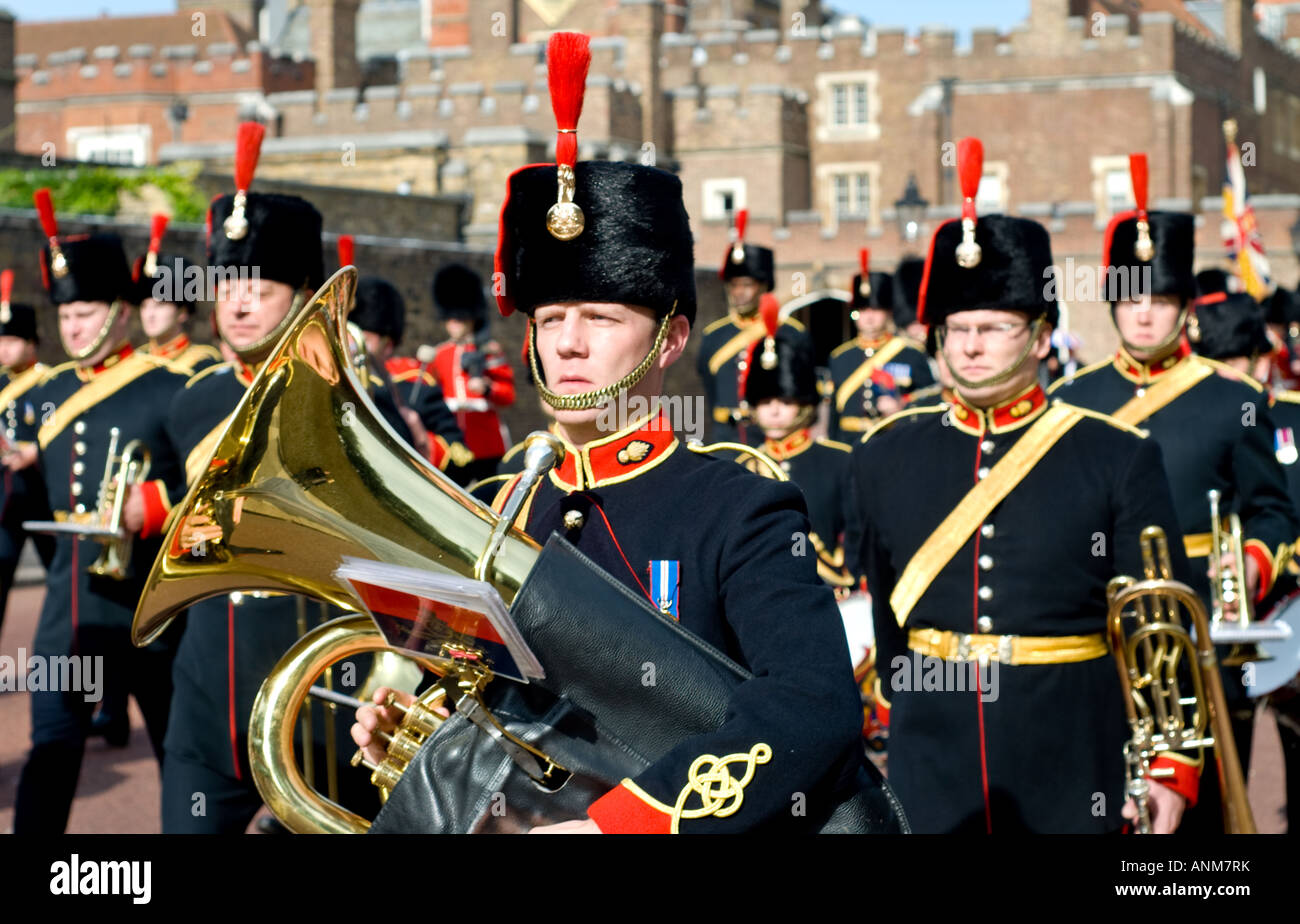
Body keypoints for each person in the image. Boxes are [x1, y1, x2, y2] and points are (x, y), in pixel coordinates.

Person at [353, 31, 864, 834]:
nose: (568, 342)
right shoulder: (498, 508)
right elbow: (489, 703)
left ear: (670, 339)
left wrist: (625, 827)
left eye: (600, 316)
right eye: (551, 317)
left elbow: (812, 704)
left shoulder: (737, 509)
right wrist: (415, 731)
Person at [846, 137, 1198, 834]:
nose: (972, 345)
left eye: (996, 327)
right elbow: (889, 616)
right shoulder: (885, 454)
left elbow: (1161, 628)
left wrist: (1171, 767)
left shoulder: (1116, 455)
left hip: (1070, 736)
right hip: (933, 743)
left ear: (1040, 336)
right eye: (959, 328)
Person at [1048, 154, 1298, 832]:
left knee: (1212, 812)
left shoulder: (1235, 399)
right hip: (1103, 632)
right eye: (1131, 299)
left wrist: (1248, 562)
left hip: (1206, 631)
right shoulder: (1074, 398)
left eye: (1159, 300)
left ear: (1185, 308)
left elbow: (1276, 513)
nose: (1144, 316)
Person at [159, 122, 375, 833]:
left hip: (320, 717)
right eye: (226, 283)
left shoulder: (358, 400)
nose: (238, 301)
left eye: (260, 285)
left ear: (304, 292)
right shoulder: (190, 403)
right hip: (205, 710)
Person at [8, 189, 189, 833]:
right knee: (51, 755)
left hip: (151, 612)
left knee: (179, 761)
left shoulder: (172, 388)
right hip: (69, 614)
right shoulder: (45, 394)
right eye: (66, 316)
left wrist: (156, 503)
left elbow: (207, 489)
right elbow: (32, 505)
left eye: (85, 312)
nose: (72, 327)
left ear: (118, 310)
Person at [1190, 288, 1300, 833]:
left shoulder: (1287, 417)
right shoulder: (1206, 414)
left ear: (1260, 359)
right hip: (1225, 619)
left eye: (1234, 364)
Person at [743, 293, 853, 589]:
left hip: (831, 590)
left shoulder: (840, 460)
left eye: (785, 399)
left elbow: (856, 531)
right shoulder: (740, 465)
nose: (775, 410)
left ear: (803, 403)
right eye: (765, 401)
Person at [697, 208, 807, 445]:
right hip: (725, 437)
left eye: (747, 285)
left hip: (772, 437)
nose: (739, 293)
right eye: (734, 285)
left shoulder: (791, 333)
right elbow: (709, 387)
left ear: (763, 286)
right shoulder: (714, 336)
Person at [827, 249, 933, 443]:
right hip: (850, 444)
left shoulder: (910, 354)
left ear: (889, 312)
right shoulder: (840, 357)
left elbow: (929, 402)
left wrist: (903, 408)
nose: (869, 317)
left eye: (876, 309)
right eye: (863, 309)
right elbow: (834, 415)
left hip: (895, 440)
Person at [0, 272, 55, 637]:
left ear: (32, 343)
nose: (3, 347)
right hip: (5, 498)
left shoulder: (49, 382)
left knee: (60, 578)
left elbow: (57, 434)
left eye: (12, 339)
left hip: (41, 496)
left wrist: (34, 452)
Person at [428, 263, 515, 484]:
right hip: (453, 438)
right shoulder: (440, 354)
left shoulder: (489, 350)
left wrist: (487, 388)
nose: (454, 324)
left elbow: (507, 395)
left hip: (486, 438)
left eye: (459, 318)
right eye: (451, 318)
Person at [130, 213, 221, 374]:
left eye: (160, 305)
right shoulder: (133, 361)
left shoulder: (202, 364)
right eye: (145, 306)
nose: (149, 314)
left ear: (182, 312)